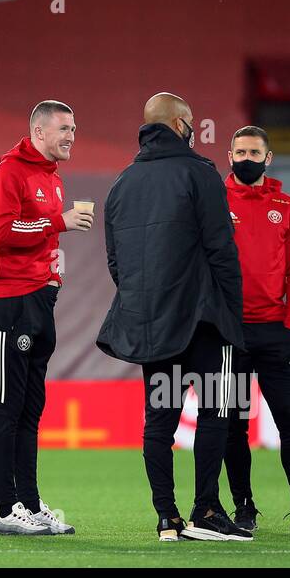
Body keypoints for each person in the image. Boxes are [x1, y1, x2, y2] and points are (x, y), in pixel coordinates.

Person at [96, 92, 248, 541]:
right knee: (218, 409)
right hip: (203, 321)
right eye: (192, 122)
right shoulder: (200, 173)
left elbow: (116, 262)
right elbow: (222, 249)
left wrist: (147, 299)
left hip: (153, 323)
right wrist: (233, 313)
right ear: (181, 124)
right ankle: (206, 512)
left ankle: (167, 517)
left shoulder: (122, 183)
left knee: (160, 418)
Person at [0, 100, 93, 535]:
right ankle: (5, 510)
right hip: (6, 298)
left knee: (30, 409)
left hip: (38, 299)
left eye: (75, 128)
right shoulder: (9, 172)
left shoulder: (52, 177)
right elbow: (3, 233)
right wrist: (58, 222)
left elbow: (38, 238)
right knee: (6, 406)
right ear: (39, 132)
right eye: (64, 128)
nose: (71, 136)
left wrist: (52, 278)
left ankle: (28, 501)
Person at [220, 126, 290, 532]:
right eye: (240, 152)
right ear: (229, 157)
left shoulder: (287, 205)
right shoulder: (215, 201)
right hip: (229, 334)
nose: (247, 159)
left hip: (275, 333)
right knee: (233, 424)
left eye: (254, 152)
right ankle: (244, 507)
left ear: (269, 158)